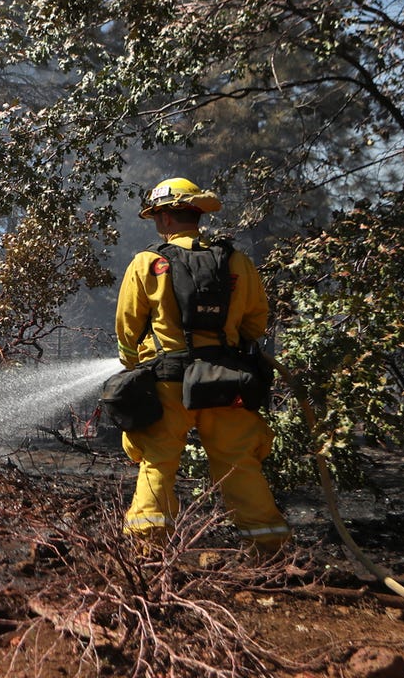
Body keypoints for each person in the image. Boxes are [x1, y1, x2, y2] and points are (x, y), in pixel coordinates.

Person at [114, 177, 290, 555]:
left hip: (167, 382)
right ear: (196, 213)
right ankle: (269, 550)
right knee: (238, 462)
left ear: (163, 218)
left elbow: (127, 326)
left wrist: (132, 364)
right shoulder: (237, 262)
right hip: (224, 381)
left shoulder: (148, 262)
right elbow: (256, 321)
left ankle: (148, 551)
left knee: (158, 459)